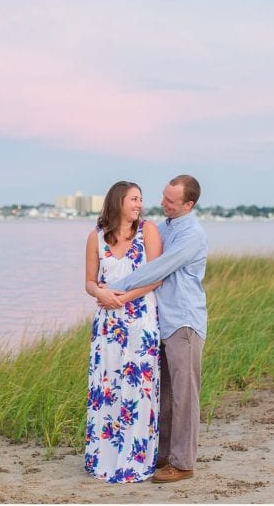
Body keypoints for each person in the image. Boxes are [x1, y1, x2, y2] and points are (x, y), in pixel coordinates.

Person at [101, 174, 207, 484]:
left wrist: (117, 288)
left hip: (184, 321)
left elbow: (159, 268)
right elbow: (133, 240)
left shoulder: (192, 235)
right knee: (164, 392)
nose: (162, 204)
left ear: (188, 204)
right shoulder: (165, 227)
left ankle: (183, 462)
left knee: (185, 394)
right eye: (163, 197)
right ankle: (162, 455)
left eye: (170, 201)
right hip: (160, 321)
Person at [83, 181, 163, 483]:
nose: (139, 204)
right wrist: (100, 294)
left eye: (141, 199)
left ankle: (136, 460)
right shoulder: (96, 238)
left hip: (141, 323)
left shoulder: (148, 232)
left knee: (137, 391)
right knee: (107, 388)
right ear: (118, 201)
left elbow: (155, 278)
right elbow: (89, 282)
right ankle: (103, 457)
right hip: (107, 326)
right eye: (134, 199)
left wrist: (122, 298)